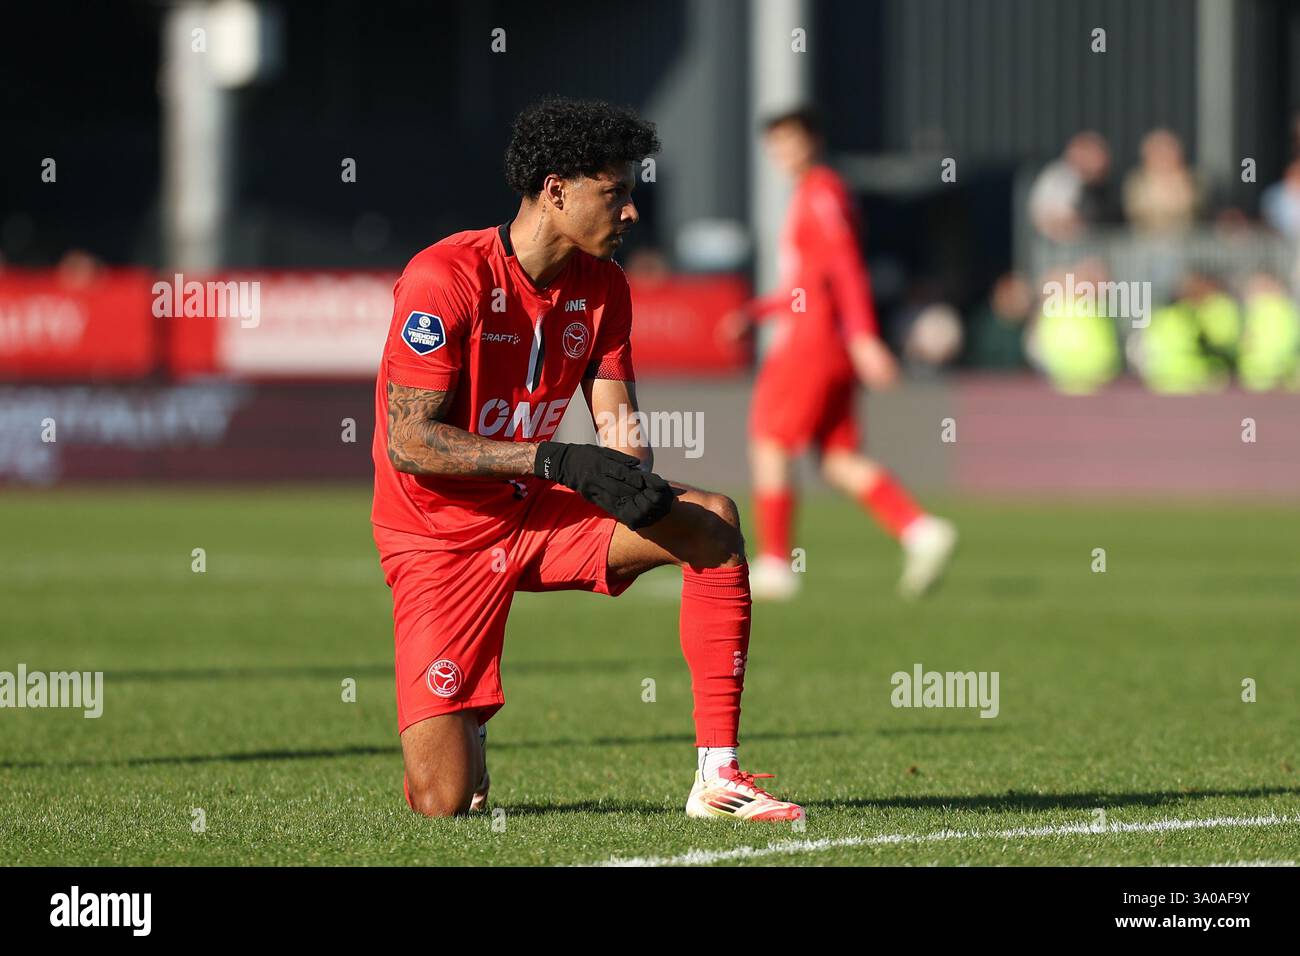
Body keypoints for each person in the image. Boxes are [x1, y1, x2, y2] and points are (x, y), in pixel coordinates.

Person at [371, 98, 802, 822]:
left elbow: (618, 421)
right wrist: (553, 459)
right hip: (436, 540)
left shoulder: (605, 289)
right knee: (445, 803)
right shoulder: (442, 277)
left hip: (533, 511)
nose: (632, 211)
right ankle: (463, 722)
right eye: (617, 191)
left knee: (713, 524)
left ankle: (718, 777)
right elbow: (408, 442)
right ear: (556, 189)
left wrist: (631, 470)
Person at [725, 106, 956, 601]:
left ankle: (777, 564)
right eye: (775, 144)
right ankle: (919, 529)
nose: (782, 153)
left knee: (769, 440)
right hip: (824, 338)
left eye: (790, 141)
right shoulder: (815, 193)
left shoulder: (821, 191)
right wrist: (758, 312)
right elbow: (808, 285)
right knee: (836, 458)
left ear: (812, 141)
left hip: (812, 344)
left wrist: (864, 336)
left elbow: (846, 267)